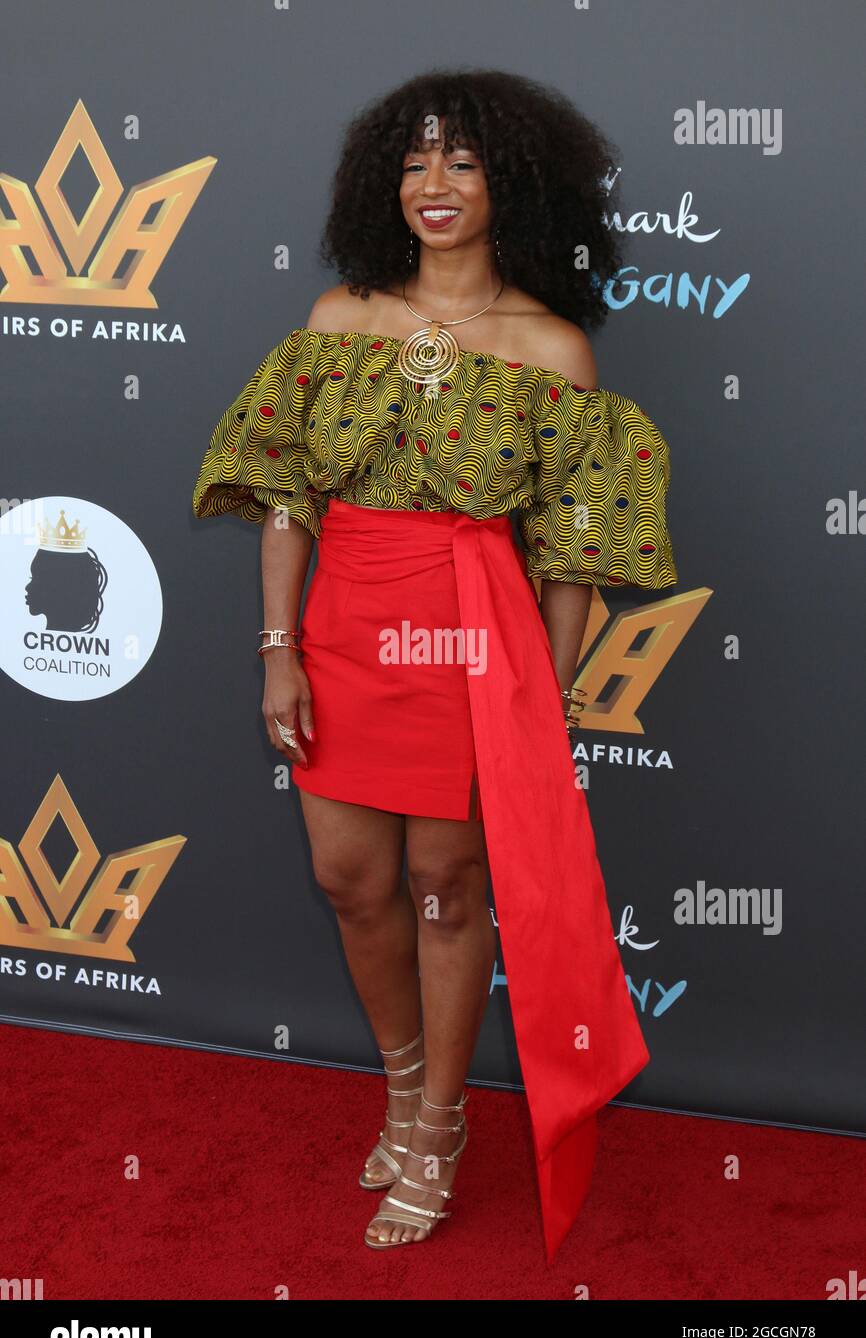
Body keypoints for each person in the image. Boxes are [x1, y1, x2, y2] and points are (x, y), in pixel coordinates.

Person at [192, 69, 677, 1263]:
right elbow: (287, 504)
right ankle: (402, 1086)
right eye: (413, 161)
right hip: (343, 628)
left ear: (510, 182)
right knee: (356, 882)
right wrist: (278, 652)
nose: (434, 184)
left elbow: (571, 555)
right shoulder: (336, 320)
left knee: (448, 892)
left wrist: (538, 704)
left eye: (461, 160)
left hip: (476, 644)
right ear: (381, 184)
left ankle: (439, 1126)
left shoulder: (552, 349)